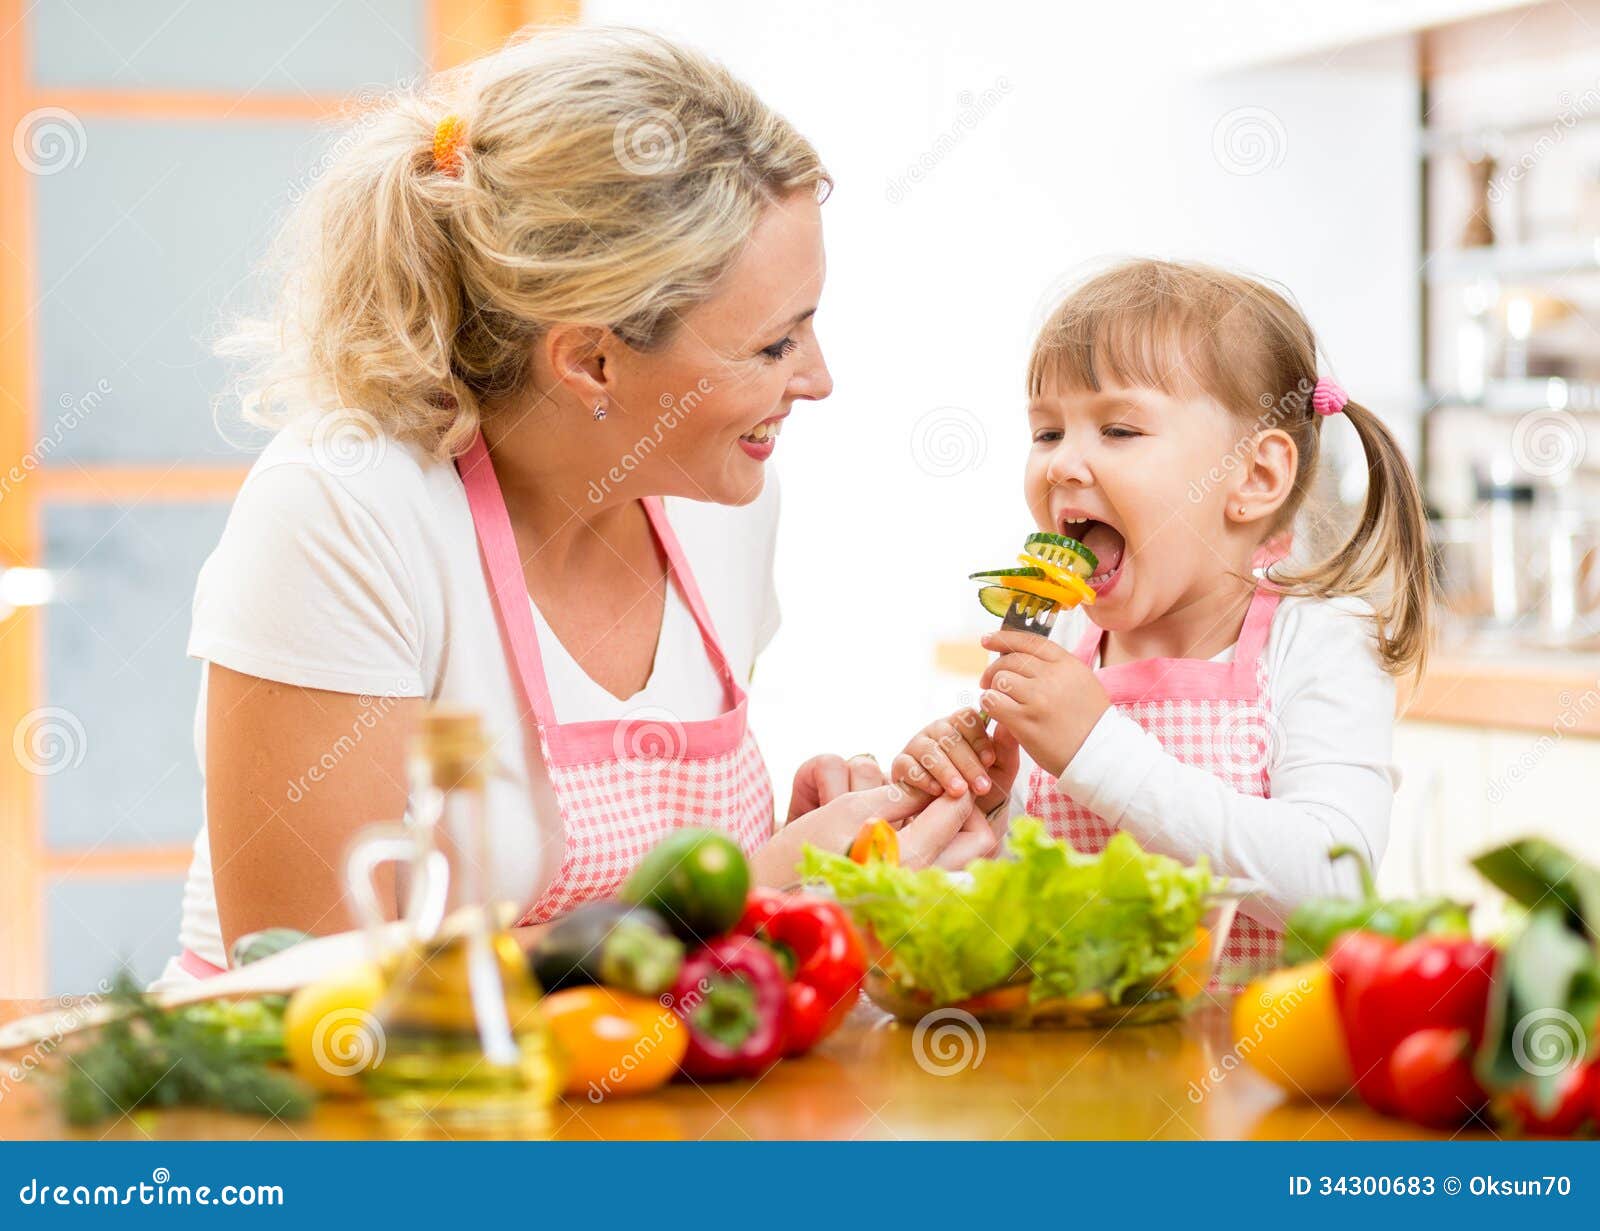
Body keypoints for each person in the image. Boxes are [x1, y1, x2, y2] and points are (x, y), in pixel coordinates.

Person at [157, 27, 984, 986]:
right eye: (772, 346)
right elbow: (316, 1000)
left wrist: (800, 840)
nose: (820, 379)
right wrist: (745, 896)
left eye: (811, 325)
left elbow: (659, 920)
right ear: (591, 359)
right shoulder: (343, 512)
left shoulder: (723, 502)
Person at [893, 258, 1432, 973]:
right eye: (1047, 432)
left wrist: (1096, 749)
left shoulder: (1321, 639)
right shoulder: (1072, 650)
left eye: (1117, 429)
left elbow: (1336, 881)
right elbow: (1026, 914)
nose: (1062, 465)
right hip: (1072, 1069)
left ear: (1254, 477)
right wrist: (983, 814)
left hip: (1259, 1071)